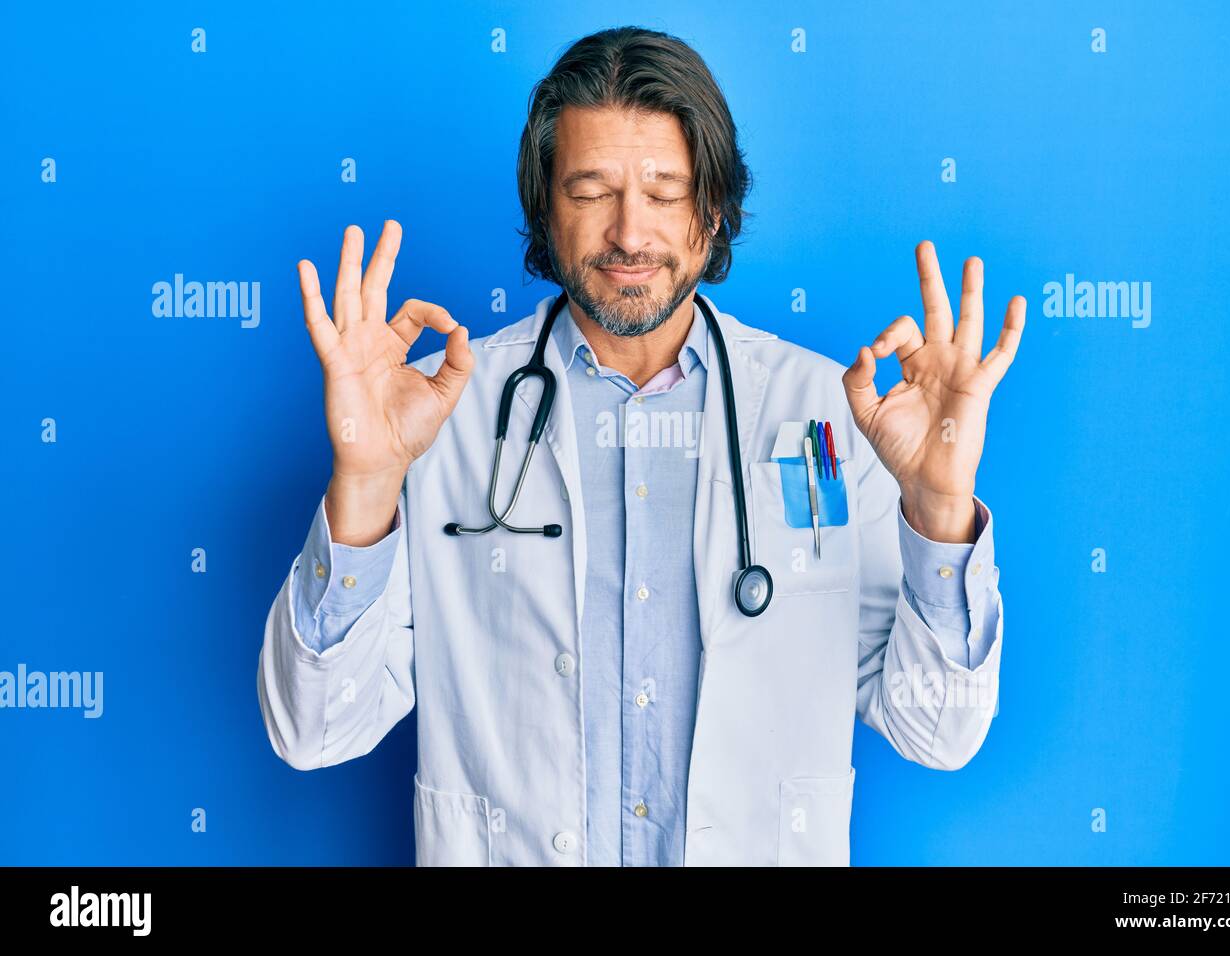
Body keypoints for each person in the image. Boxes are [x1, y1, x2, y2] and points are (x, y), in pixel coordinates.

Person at [257, 25, 1024, 867]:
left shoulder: (827, 418)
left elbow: (936, 730)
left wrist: (939, 510)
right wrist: (366, 482)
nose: (629, 234)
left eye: (665, 192)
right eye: (591, 191)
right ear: (545, 210)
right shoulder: (441, 411)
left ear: (714, 210)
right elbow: (312, 730)